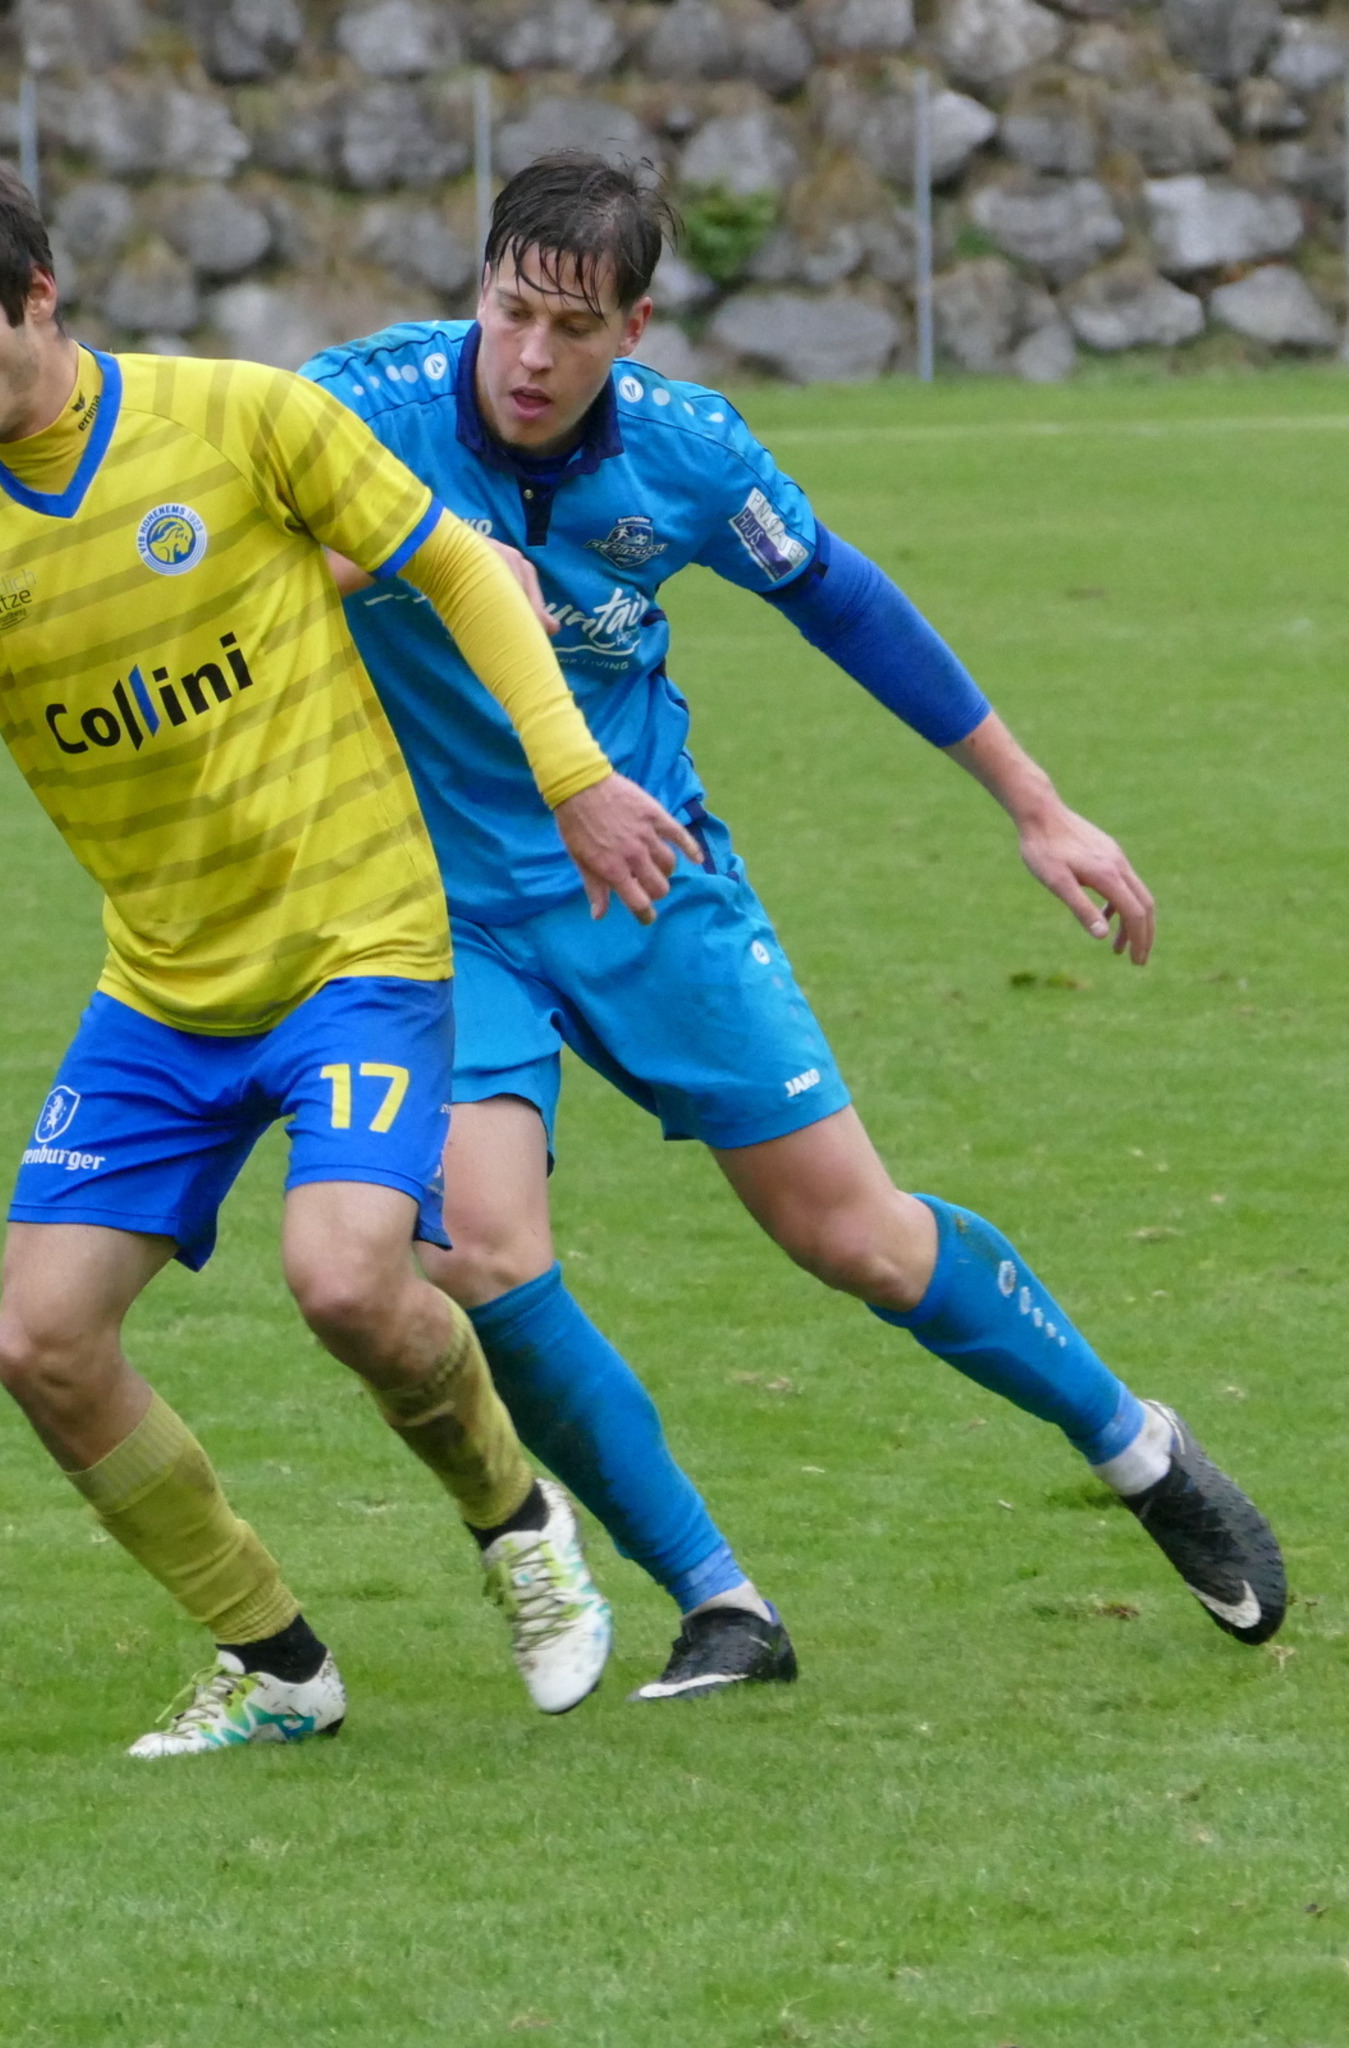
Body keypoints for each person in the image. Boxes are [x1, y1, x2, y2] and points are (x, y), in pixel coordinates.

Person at [301, 151, 1285, 1700]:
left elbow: (843, 603)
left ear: (635, 327)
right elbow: (217, 546)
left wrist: (1033, 805)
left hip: (647, 882)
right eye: (508, 313)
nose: (534, 357)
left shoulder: (688, 454)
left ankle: (1138, 1451)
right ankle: (721, 1605)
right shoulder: (356, 408)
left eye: (574, 325)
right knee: (482, 1254)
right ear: (472, 292)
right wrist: (409, 551)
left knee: (858, 1239)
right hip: (434, 918)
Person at [0, 149, 703, 1756]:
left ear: (37, 298)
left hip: (355, 941)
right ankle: (275, 1663)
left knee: (350, 1279)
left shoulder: (239, 420)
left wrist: (571, 772)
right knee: (41, 1343)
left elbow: (459, 569)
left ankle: (519, 1532)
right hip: (160, 991)